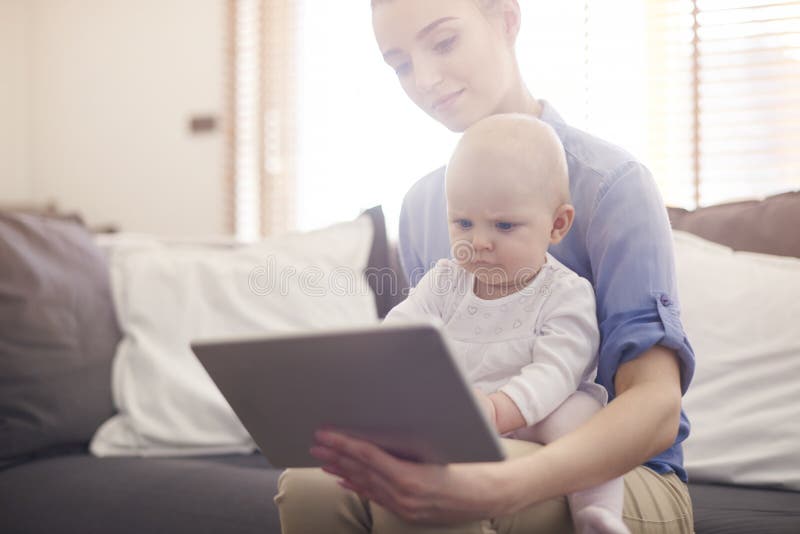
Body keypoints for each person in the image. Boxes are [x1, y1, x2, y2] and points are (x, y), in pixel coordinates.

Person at [275, 0, 696, 532]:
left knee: (427, 489)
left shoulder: (612, 183)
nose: (424, 79)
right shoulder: (426, 205)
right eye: (400, 63)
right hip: (475, 442)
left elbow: (656, 406)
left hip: (614, 472)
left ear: (508, 19)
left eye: (444, 42)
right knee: (311, 484)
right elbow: (423, 355)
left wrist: (501, 482)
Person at [382, 113, 629, 534]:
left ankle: (597, 512)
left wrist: (501, 409)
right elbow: (403, 331)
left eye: (503, 225)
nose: (479, 241)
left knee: (583, 418)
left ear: (557, 225)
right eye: (463, 223)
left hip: (540, 413)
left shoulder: (565, 292)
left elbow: (557, 370)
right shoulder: (445, 281)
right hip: (468, 412)